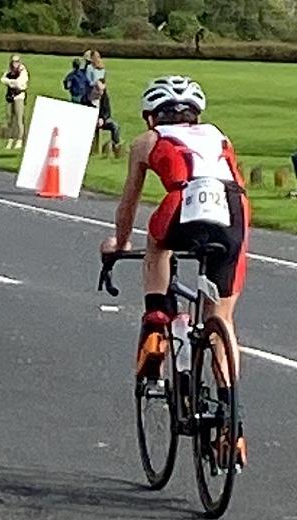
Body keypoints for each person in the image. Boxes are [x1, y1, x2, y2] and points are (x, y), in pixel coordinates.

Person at [100, 75, 248, 466]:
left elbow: (128, 203)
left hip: (181, 203)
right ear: (197, 114)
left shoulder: (146, 142)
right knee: (223, 319)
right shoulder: (221, 137)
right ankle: (233, 424)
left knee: (158, 245)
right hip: (233, 211)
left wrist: (119, 243)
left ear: (152, 117)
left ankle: (155, 322)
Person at [0, 54, 29, 149]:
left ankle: (19, 140)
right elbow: (3, 79)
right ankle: (10, 139)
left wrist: (11, 82)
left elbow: (20, 83)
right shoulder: (9, 71)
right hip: (10, 96)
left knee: (19, 119)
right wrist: (11, 82)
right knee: (10, 118)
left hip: (19, 96)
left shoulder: (23, 71)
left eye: (16, 61)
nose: (14, 63)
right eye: (13, 61)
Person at [94, 80, 121, 155]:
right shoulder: (88, 97)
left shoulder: (105, 97)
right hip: (91, 120)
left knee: (115, 126)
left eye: (102, 90)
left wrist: (102, 118)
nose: (100, 92)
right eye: (98, 89)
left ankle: (115, 146)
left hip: (102, 120)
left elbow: (107, 111)